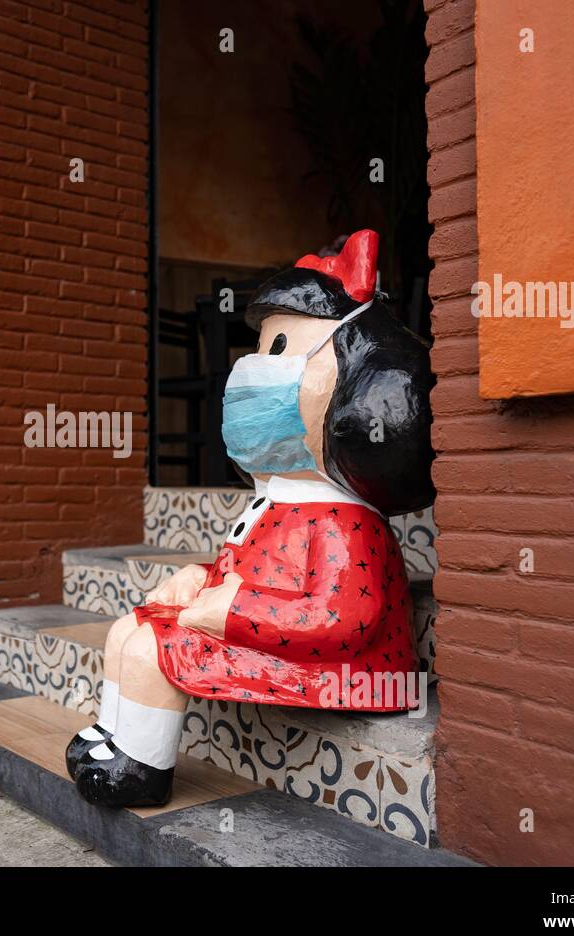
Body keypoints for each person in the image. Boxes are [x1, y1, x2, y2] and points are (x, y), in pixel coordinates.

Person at [67, 229, 437, 807]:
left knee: (148, 651)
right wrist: (202, 578)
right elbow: (254, 570)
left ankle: (139, 768)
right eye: (263, 348)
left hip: (351, 670)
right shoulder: (282, 506)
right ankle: (114, 738)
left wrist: (235, 611)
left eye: (280, 347)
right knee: (128, 629)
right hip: (276, 631)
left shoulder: (346, 525)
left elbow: (343, 620)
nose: (253, 370)